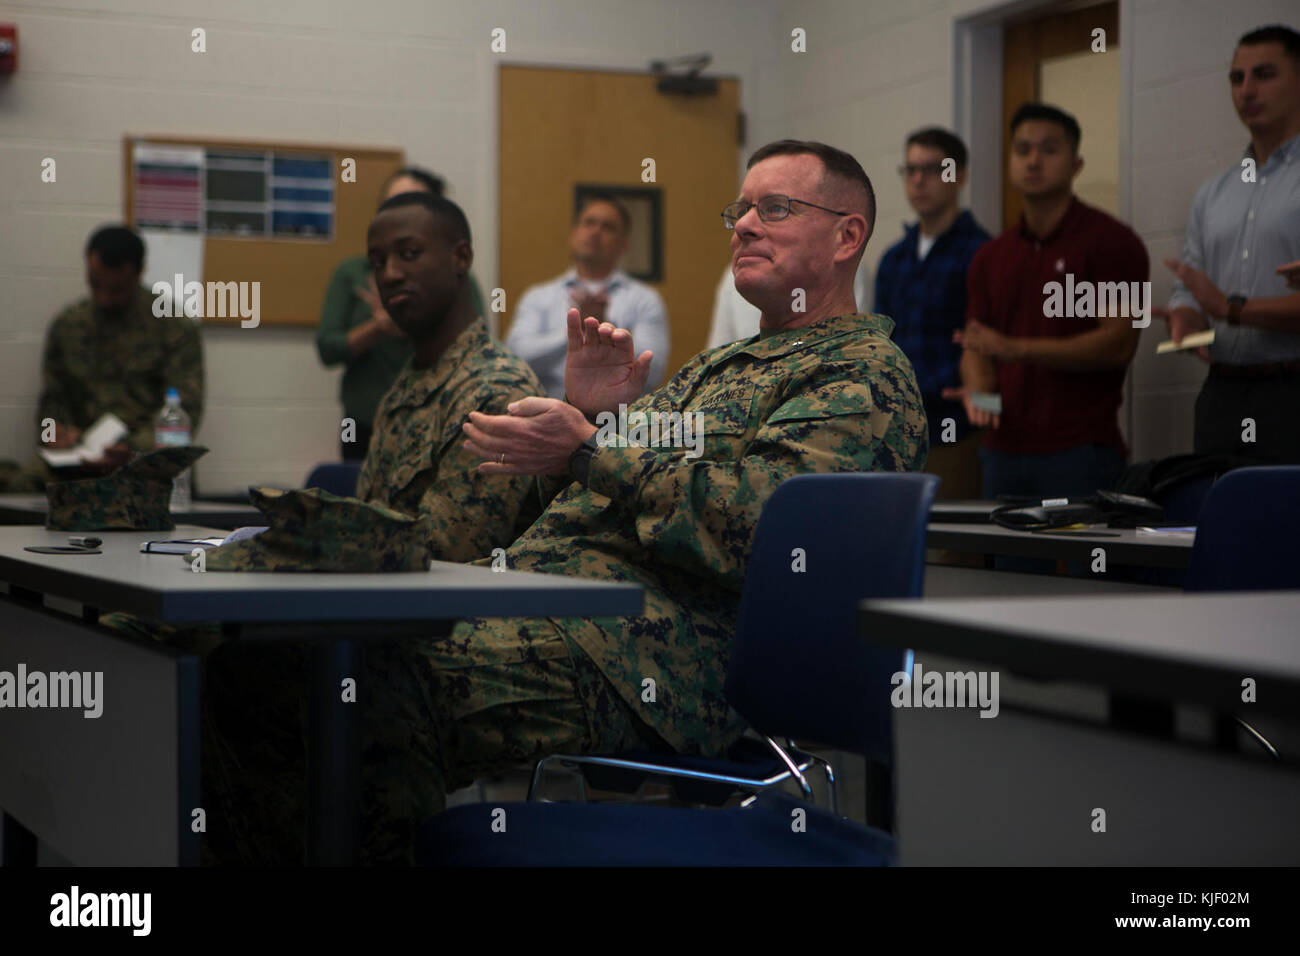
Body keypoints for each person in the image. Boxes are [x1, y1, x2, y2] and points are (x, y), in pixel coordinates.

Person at [324, 139, 927, 864]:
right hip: (550, 611)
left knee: (364, 688)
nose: (743, 226)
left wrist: (592, 447)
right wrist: (592, 422)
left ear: (847, 235)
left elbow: (761, 533)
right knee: (302, 671)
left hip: (646, 659)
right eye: (740, 211)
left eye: (775, 209)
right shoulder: (721, 365)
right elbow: (595, 496)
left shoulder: (860, 375)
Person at [143, 193, 546, 864]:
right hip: (369, 620)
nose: (388, 274)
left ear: (462, 259)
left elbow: (448, 558)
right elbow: (370, 534)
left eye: (409, 254)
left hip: (442, 641)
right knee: (159, 638)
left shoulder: (495, 388)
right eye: (378, 259)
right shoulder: (404, 387)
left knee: (245, 673)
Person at [949, 103, 1147, 501]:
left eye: (1049, 149)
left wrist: (1017, 349)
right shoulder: (991, 256)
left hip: (1081, 451)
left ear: (1076, 163)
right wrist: (981, 393)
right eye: (1022, 149)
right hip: (1002, 453)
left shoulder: (1114, 242)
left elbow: (1119, 344)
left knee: (1088, 563)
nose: (1033, 160)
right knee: (1007, 565)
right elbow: (977, 345)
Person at [1157, 24, 1300, 465]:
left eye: (1264, 74)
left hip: (1292, 392)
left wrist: (1229, 308)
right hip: (1222, 394)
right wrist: (1184, 318)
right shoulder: (1214, 193)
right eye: (1237, 79)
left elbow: (1220, 303)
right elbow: (1191, 289)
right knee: (1218, 525)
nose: (1247, 89)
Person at [1, 226, 204, 492]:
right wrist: (55, 435)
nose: (104, 297)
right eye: (96, 284)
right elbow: (52, 404)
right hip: (76, 462)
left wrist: (132, 449)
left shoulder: (172, 327)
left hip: (142, 464)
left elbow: (185, 410)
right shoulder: (69, 326)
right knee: (16, 489)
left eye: (116, 289)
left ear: (138, 272)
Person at [316, 166, 487, 460]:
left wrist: (416, 321)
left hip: (439, 421)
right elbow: (328, 348)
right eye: (391, 203)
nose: (392, 274)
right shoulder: (354, 272)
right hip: (366, 423)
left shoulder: (456, 277)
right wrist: (377, 328)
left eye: (410, 203)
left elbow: (475, 347)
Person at [874, 127, 990, 500]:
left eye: (932, 169)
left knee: (955, 548)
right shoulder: (894, 258)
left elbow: (985, 347)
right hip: (898, 432)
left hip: (958, 428)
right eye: (910, 170)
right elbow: (880, 343)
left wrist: (920, 388)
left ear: (959, 176)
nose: (918, 180)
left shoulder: (983, 254)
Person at [506, 192, 670, 398]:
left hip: (621, 420)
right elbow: (516, 359)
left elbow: (653, 372)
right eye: (589, 223)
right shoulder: (538, 297)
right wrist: (576, 331)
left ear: (623, 244)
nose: (595, 231)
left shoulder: (645, 300)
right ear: (574, 234)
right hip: (549, 412)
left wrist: (605, 329)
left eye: (607, 226)